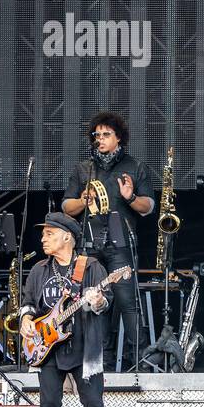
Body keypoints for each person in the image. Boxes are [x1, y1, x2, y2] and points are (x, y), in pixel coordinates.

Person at [18, 213, 114, 407]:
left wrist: (97, 302)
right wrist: (26, 318)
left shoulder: (91, 267)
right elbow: (28, 302)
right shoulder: (39, 270)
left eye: (49, 233)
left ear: (67, 237)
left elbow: (106, 302)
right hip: (48, 348)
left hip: (85, 349)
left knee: (94, 405)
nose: (43, 238)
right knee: (49, 406)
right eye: (43, 234)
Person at [61, 112, 154, 370]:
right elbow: (66, 207)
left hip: (121, 246)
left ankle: (141, 363)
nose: (100, 139)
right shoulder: (84, 169)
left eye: (106, 134)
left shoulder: (134, 167)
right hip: (88, 249)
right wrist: (83, 201)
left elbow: (148, 207)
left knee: (127, 303)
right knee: (91, 302)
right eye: (97, 135)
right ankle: (101, 363)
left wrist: (130, 197)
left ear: (119, 137)